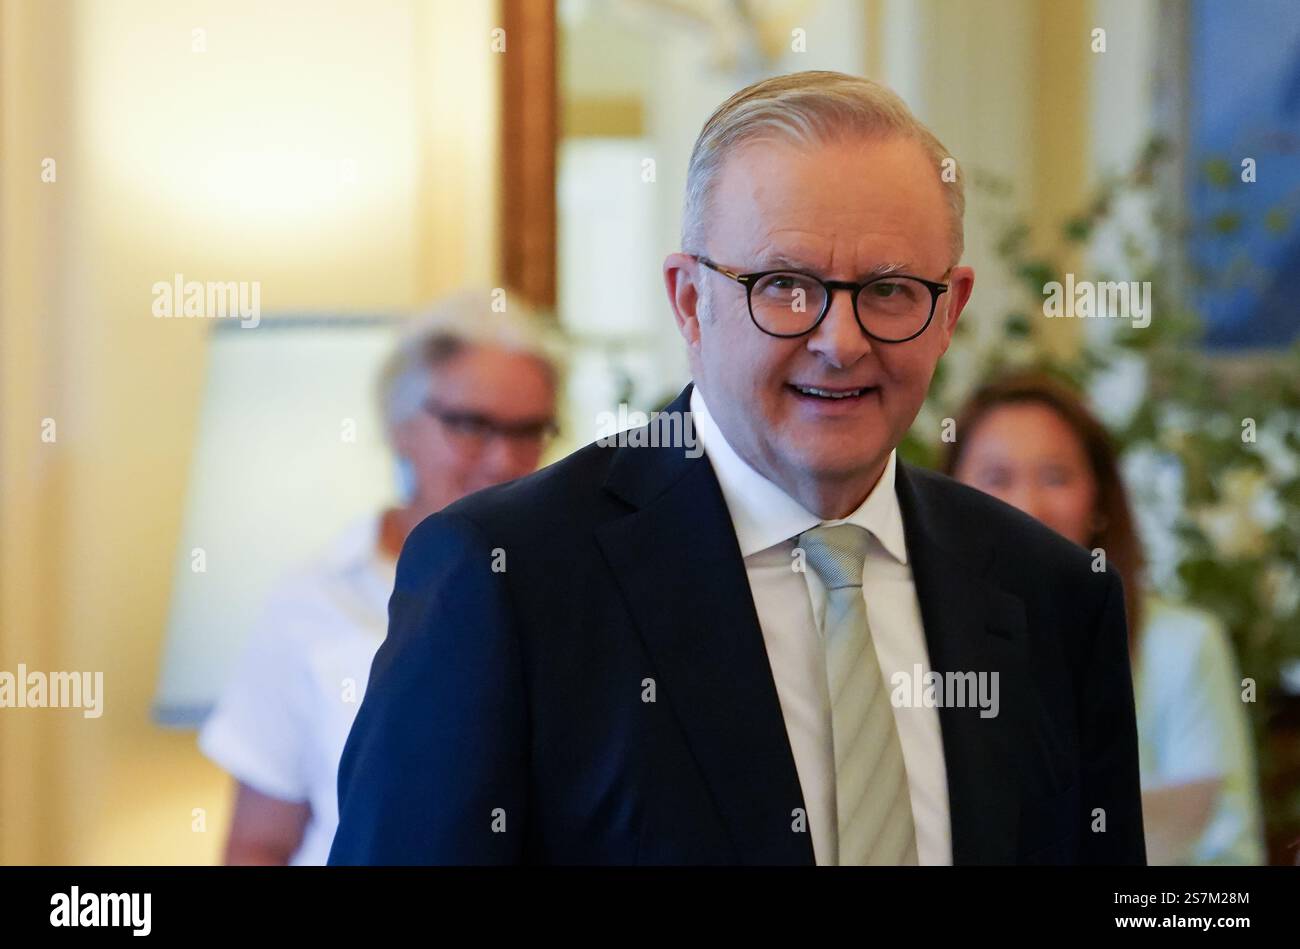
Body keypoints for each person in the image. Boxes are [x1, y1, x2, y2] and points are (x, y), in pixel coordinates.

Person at [330, 71, 1146, 865]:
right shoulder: (509, 578)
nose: (841, 341)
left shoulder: (1051, 595)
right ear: (690, 300)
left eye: (891, 289)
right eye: (784, 285)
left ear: (950, 311)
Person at [198, 291, 560, 865]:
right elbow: (260, 843)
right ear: (400, 425)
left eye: (527, 431)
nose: (503, 461)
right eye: (470, 425)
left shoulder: (576, 592)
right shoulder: (314, 600)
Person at [941, 371, 1266, 865]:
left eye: (1055, 477)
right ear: (947, 502)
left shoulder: (1182, 644)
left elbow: (1233, 856)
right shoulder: (913, 644)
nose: (1027, 506)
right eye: (996, 478)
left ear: (1098, 499)